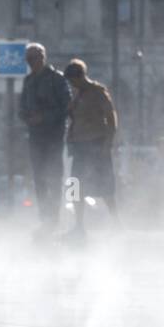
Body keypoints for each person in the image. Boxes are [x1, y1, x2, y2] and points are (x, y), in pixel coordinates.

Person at [18, 44, 70, 238]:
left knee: (54, 178)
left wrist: (44, 117)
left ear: (42, 57)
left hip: (53, 137)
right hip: (36, 137)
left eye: (32, 58)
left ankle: (54, 219)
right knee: (39, 178)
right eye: (27, 59)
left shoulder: (57, 79)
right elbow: (21, 107)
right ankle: (45, 219)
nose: (29, 63)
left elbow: (66, 106)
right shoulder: (29, 81)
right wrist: (27, 117)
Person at [63, 59, 119, 240]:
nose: (72, 84)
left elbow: (111, 118)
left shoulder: (97, 91)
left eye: (73, 80)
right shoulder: (77, 95)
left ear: (80, 76)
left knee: (105, 187)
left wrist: (107, 144)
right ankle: (78, 225)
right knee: (75, 186)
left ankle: (116, 223)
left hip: (96, 144)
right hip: (79, 147)